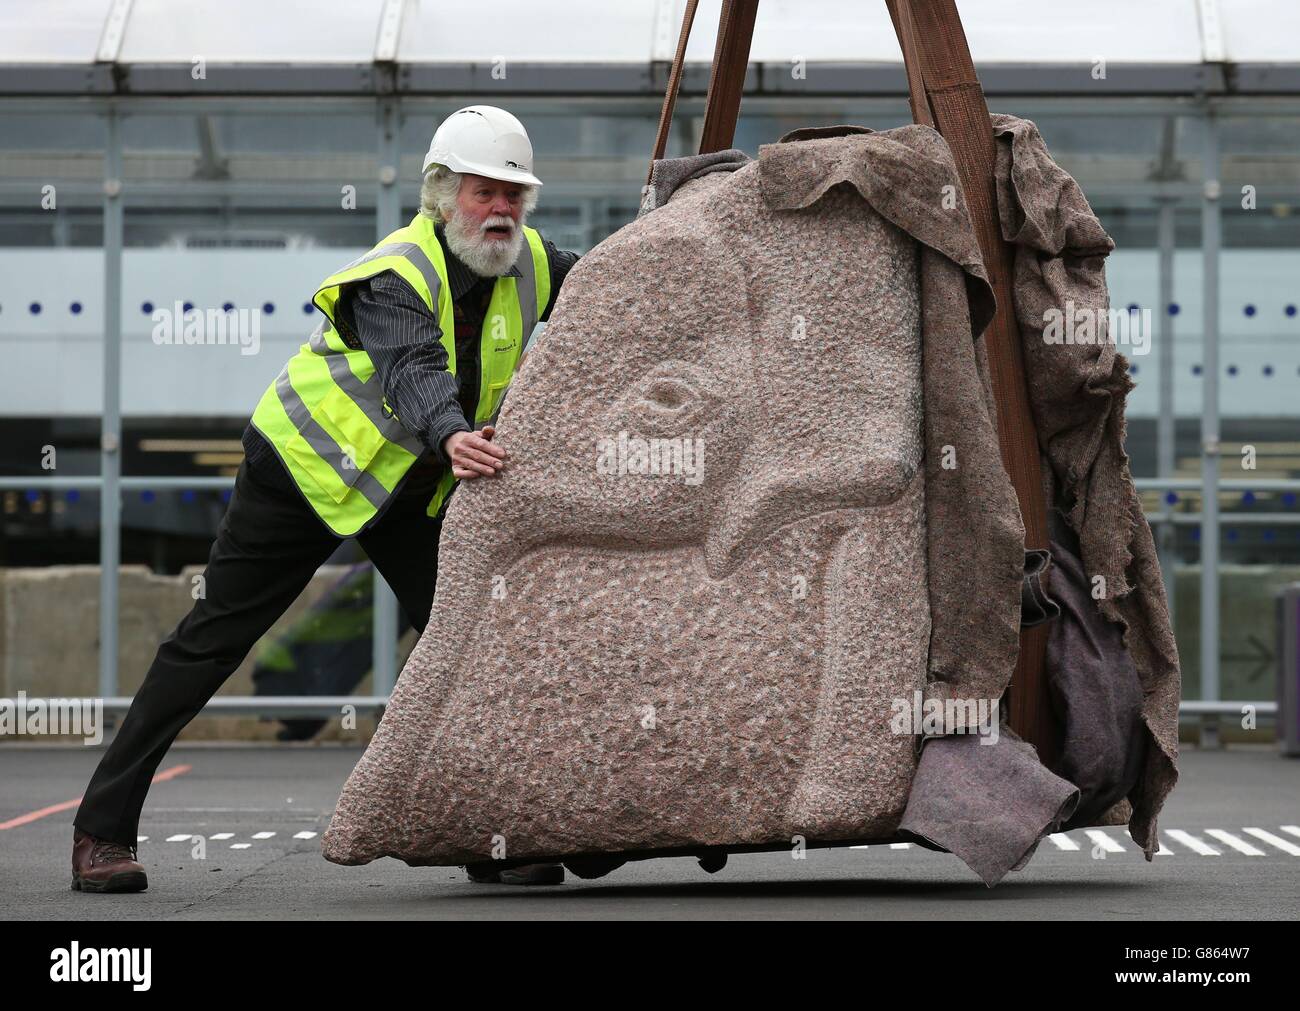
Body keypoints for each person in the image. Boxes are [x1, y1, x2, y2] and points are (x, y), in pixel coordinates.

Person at [71, 105, 580, 892]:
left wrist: (679, 217)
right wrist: (450, 431)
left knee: (474, 646)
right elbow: (414, 368)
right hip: (302, 474)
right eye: (486, 192)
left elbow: (618, 289)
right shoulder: (395, 271)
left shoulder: (531, 263)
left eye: (515, 195)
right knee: (210, 640)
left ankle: (492, 839)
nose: (503, 210)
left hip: (407, 487)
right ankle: (99, 832)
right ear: (444, 195)